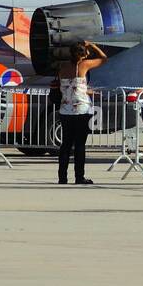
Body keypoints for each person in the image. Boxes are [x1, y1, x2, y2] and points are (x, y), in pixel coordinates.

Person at [56, 40, 107, 185]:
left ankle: (62, 177)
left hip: (65, 110)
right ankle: (79, 176)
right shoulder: (83, 65)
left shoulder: (63, 68)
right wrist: (93, 45)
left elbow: (71, 87)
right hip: (81, 109)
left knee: (65, 144)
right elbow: (104, 59)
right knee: (79, 144)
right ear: (82, 54)